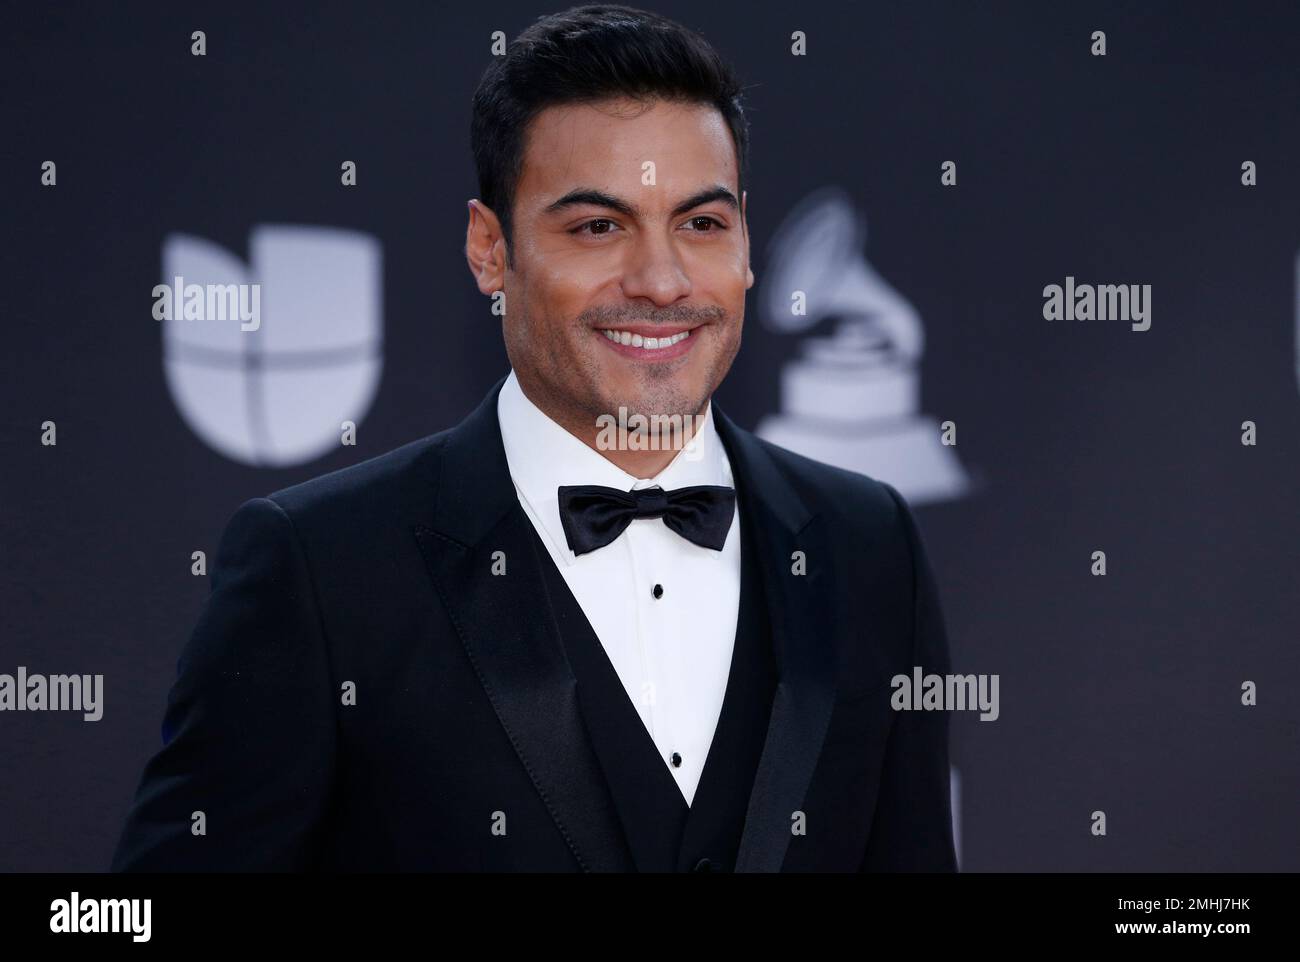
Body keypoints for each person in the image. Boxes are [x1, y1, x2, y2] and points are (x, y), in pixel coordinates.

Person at [111, 3, 957, 872]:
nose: (661, 280)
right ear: (490, 249)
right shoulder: (321, 569)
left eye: (700, 224)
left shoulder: (867, 543)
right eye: (598, 227)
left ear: (744, 239)